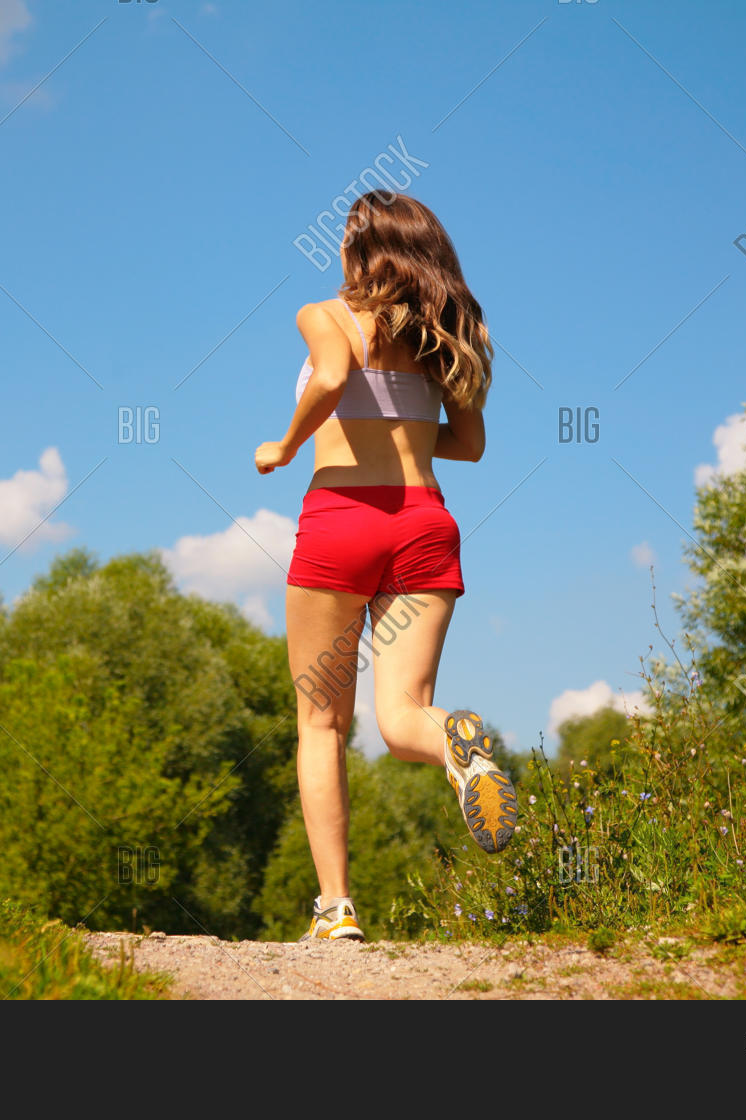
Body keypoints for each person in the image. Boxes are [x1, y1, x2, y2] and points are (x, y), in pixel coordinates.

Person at [254, 191, 517, 943]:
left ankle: (335, 908)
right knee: (404, 720)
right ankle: (459, 748)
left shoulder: (324, 314)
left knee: (320, 721)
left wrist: (286, 443)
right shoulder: (447, 336)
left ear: (359, 248)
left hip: (342, 521)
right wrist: (401, 427)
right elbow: (468, 446)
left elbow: (333, 379)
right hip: (424, 526)